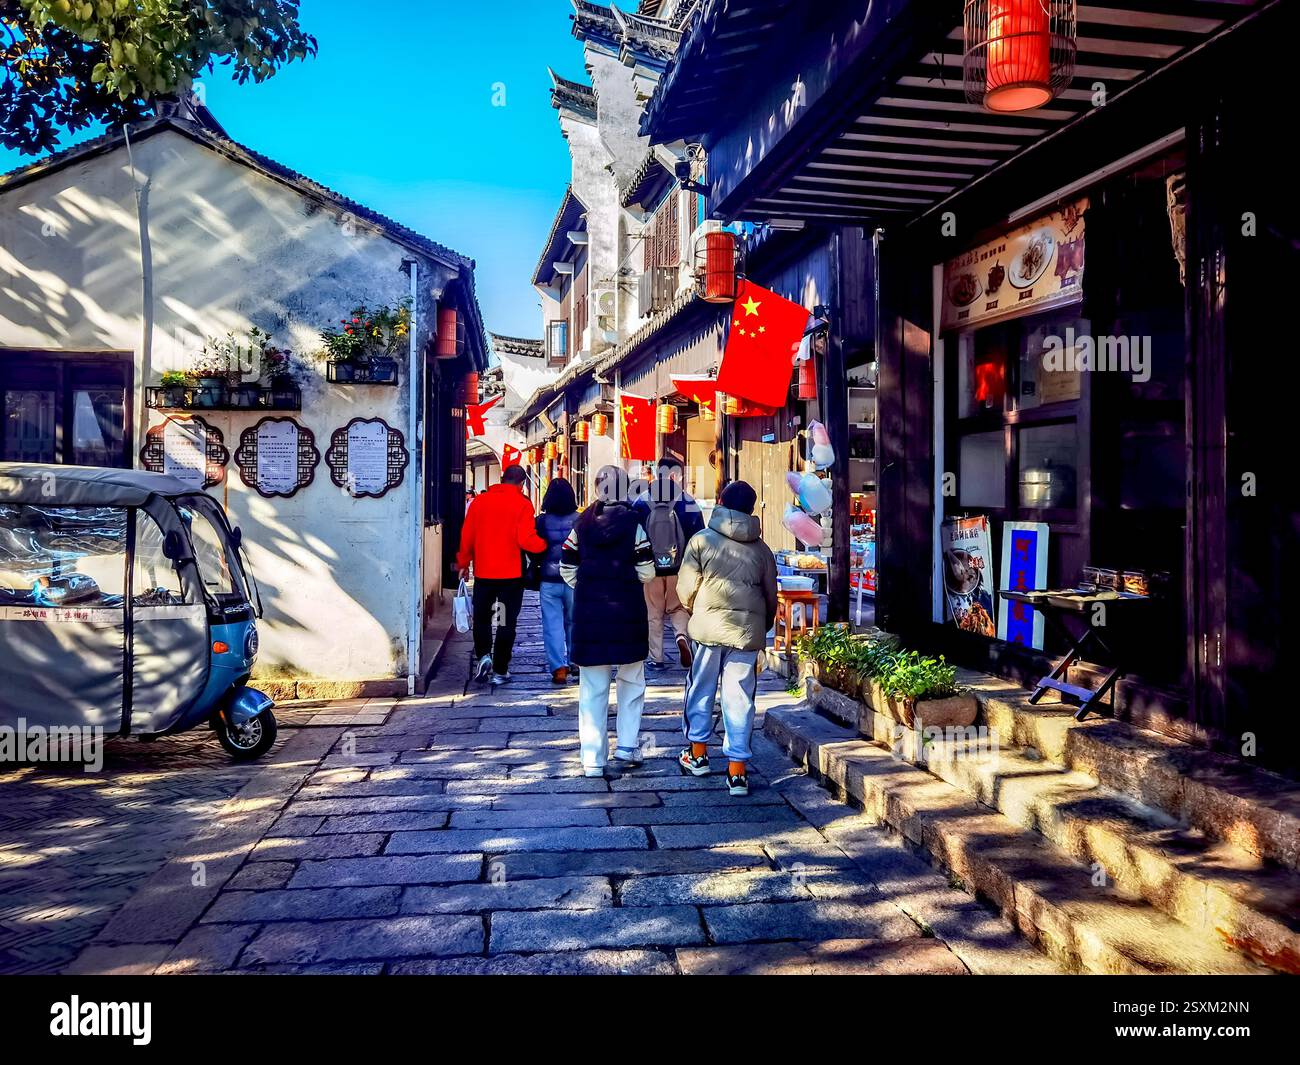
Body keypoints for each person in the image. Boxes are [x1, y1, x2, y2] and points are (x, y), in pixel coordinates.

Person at [674, 480, 778, 797]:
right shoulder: (762, 550)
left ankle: (698, 754)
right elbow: (771, 595)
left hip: (707, 630)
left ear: (720, 502)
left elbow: (685, 589)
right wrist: (763, 623)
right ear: (751, 510)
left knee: (701, 690)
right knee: (739, 698)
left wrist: (695, 610)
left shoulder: (702, 541)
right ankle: (737, 773)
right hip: (746, 633)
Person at [561, 464, 655, 777]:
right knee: (631, 681)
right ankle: (627, 746)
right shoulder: (634, 523)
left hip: (590, 615)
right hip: (627, 612)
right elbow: (647, 570)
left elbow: (567, 567)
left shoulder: (581, 523)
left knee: (592, 689)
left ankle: (592, 760)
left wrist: (589, 587)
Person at [455, 464, 547, 686]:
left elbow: (467, 535)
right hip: (509, 577)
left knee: (483, 618)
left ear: (502, 478)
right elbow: (526, 540)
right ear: (522, 483)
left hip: (485, 574)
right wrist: (545, 545)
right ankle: (500, 669)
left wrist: (463, 563)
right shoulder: (522, 504)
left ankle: (484, 654)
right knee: (504, 621)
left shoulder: (479, 502)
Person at [634, 457, 706, 670]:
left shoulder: (642, 501)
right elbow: (699, 537)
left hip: (650, 568)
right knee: (678, 608)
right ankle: (681, 637)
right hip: (680, 568)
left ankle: (656, 658)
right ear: (676, 475)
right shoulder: (688, 502)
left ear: (657, 473)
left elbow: (634, 535)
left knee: (653, 613)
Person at [536, 477, 579, 685]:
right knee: (575, 622)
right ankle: (576, 661)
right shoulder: (581, 519)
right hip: (574, 578)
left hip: (549, 578)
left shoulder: (542, 521)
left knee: (552, 625)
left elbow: (534, 548)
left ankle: (558, 668)